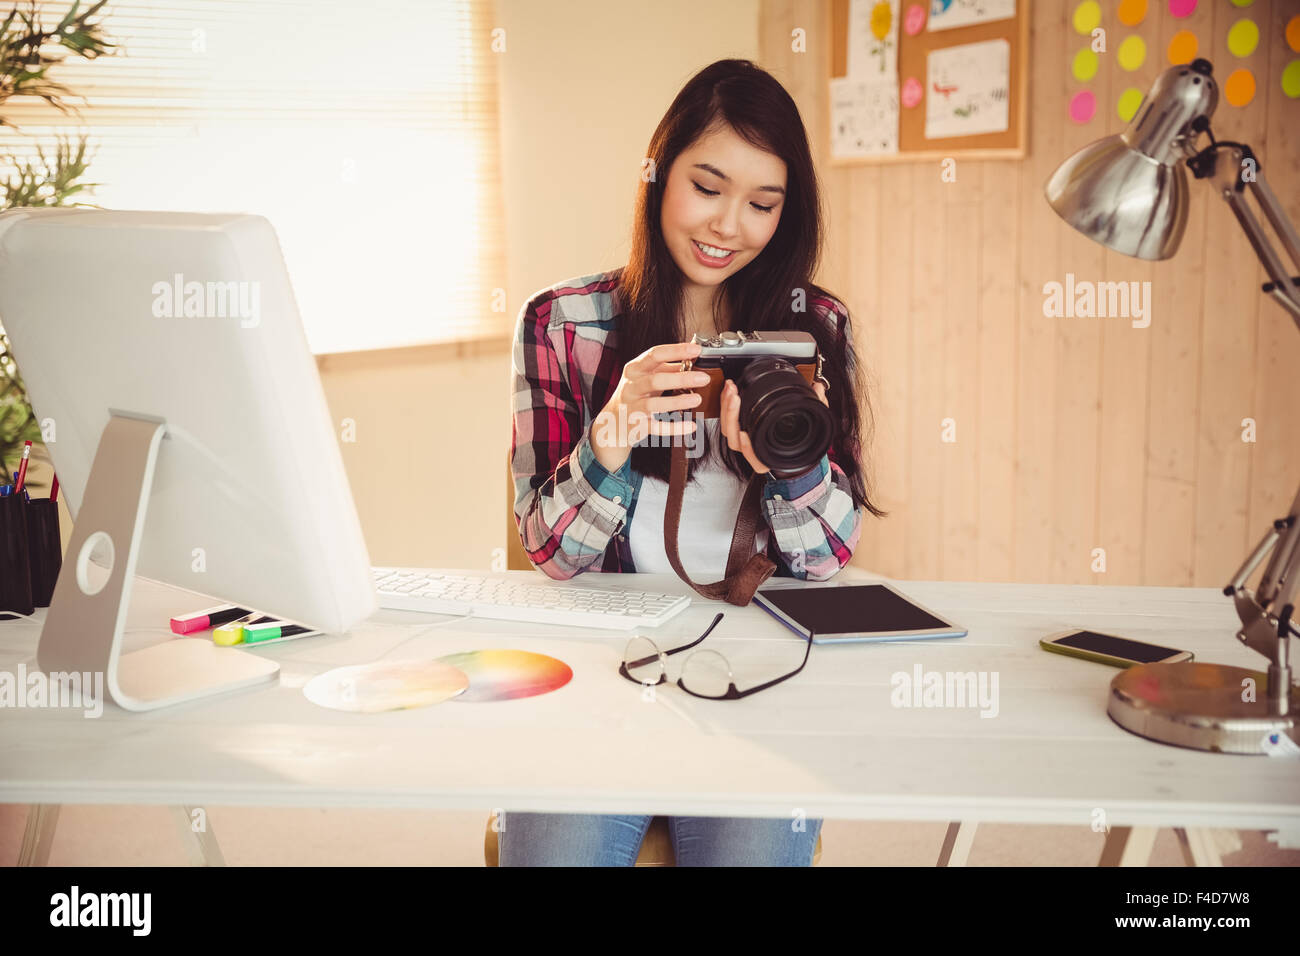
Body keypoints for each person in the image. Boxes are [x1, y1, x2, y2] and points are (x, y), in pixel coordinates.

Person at [503, 59, 885, 866]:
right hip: (606, 656)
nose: (728, 226)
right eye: (706, 186)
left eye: (762, 203)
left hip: (765, 655)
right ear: (658, 174)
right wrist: (609, 435)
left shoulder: (814, 326)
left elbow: (825, 562)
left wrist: (785, 468)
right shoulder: (566, 322)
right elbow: (550, 551)